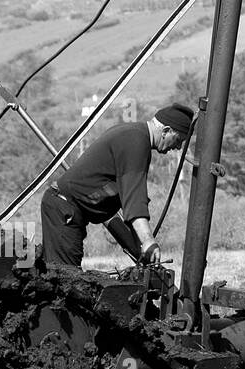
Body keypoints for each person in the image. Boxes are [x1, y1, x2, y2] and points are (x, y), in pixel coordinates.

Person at [40, 103, 193, 269]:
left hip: (65, 210)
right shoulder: (136, 142)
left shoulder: (134, 136)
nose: (177, 147)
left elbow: (126, 198)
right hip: (64, 210)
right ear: (166, 131)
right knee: (64, 278)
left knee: (63, 275)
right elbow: (134, 200)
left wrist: (139, 250)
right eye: (178, 140)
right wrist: (148, 241)